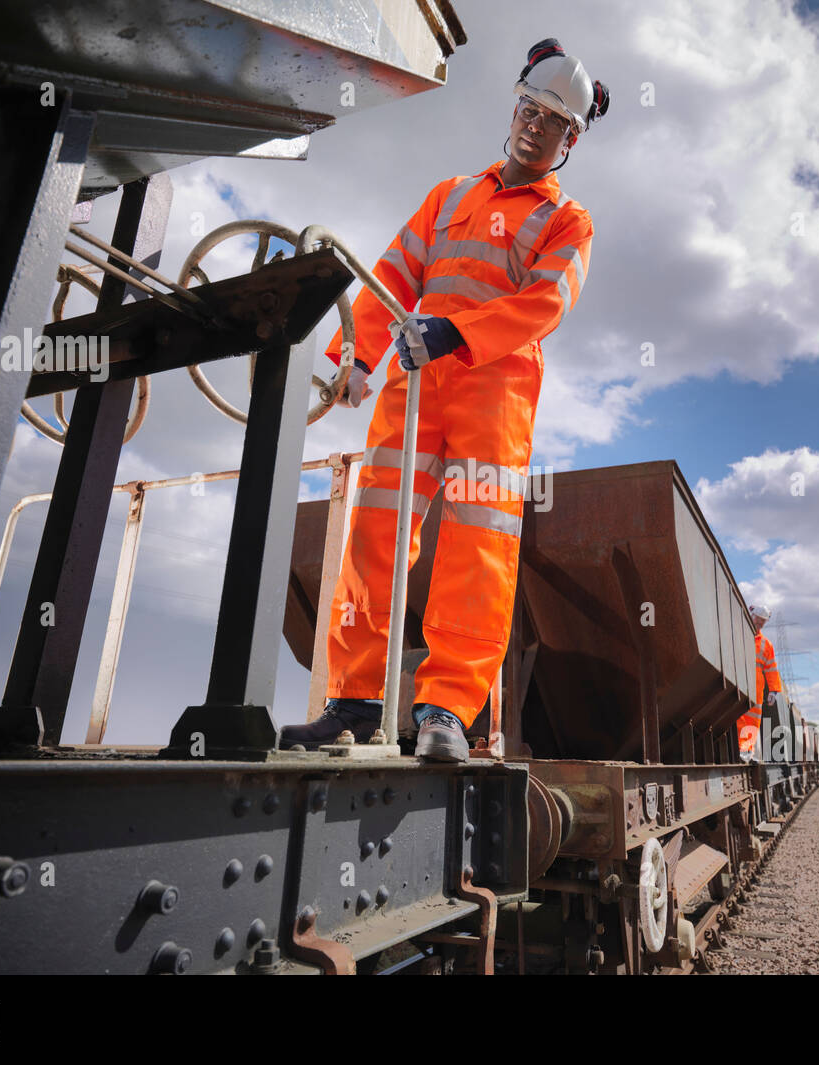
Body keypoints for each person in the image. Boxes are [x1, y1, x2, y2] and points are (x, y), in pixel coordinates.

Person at [280, 39, 609, 761]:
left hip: (494, 400)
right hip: (415, 387)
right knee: (375, 535)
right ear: (514, 104)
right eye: (529, 108)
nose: (534, 125)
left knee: (476, 553)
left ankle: (446, 713)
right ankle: (354, 701)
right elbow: (392, 274)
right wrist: (354, 358)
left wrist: (456, 328)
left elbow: (544, 304)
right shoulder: (451, 195)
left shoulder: (569, 223)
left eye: (552, 120)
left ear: (570, 139)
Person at [737, 604, 782, 760]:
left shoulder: (766, 644)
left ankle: (746, 749)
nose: (761, 623)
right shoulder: (738, 634)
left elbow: (771, 669)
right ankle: (740, 747)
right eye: (759, 619)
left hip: (756, 687)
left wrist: (773, 691)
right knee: (739, 716)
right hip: (739, 681)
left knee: (753, 720)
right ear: (751, 616)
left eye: (763, 621)